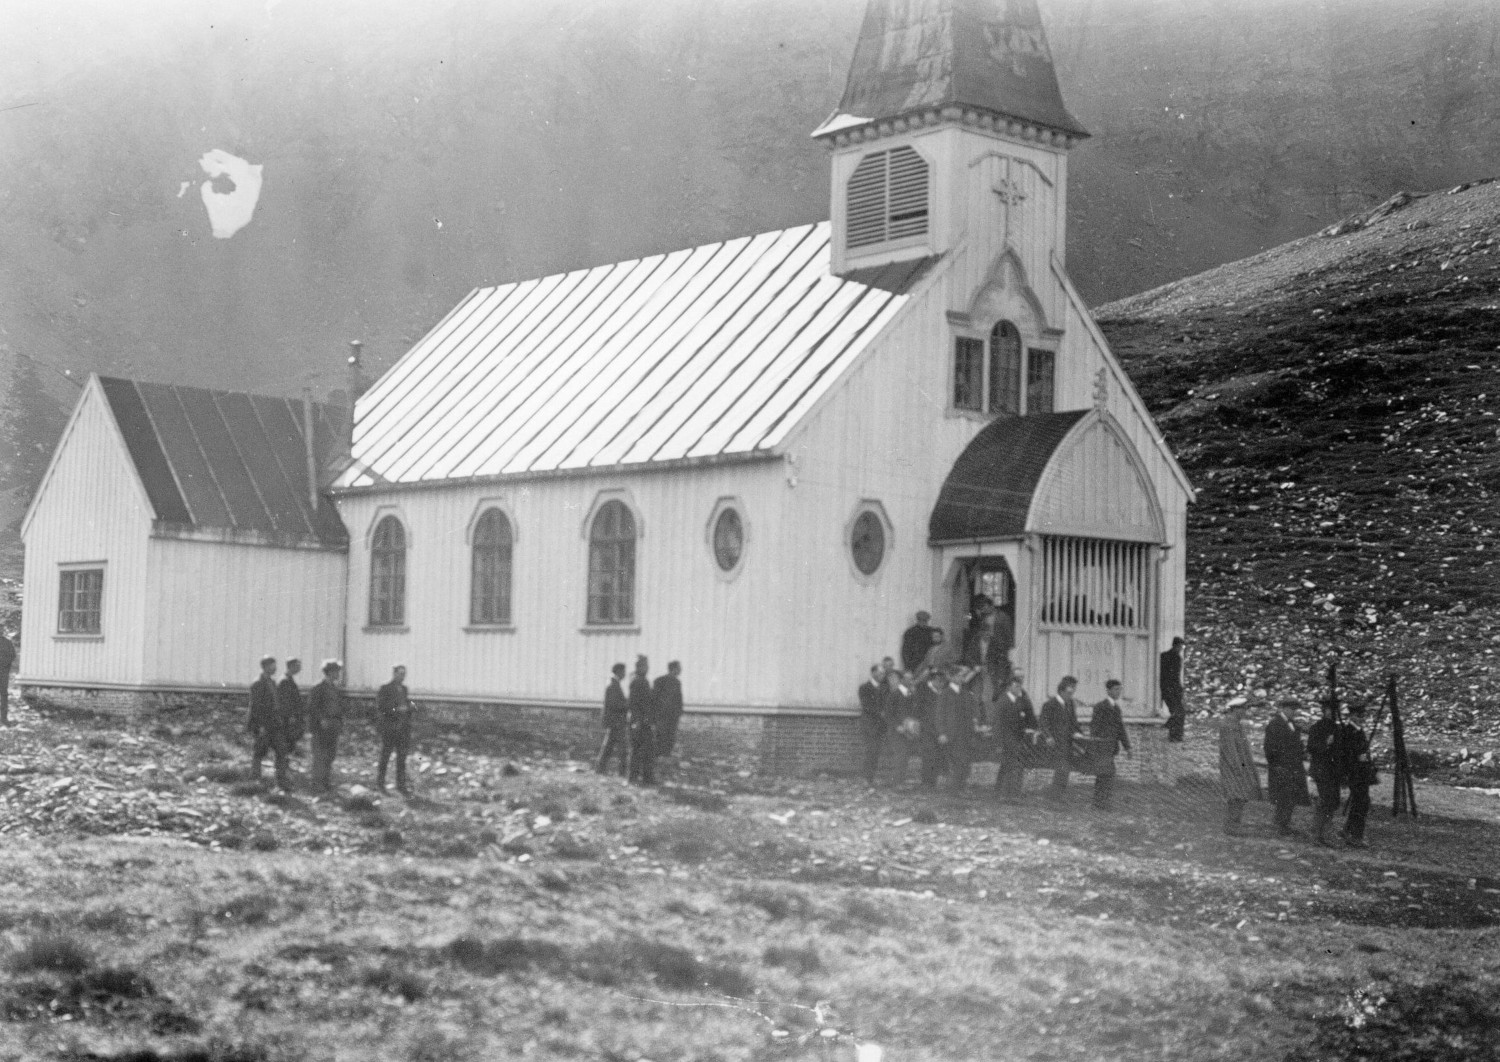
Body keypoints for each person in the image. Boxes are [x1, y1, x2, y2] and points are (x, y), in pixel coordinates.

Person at [1264, 698, 1311, 836]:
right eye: (1290, 709)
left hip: (1293, 766)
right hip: (1282, 766)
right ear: (1283, 708)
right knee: (1284, 796)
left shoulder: (1291, 724)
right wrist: (1276, 765)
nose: (1293, 712)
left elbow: (1296, 743)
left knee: (1290, 796)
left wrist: (1302, 752)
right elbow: (1270, 747)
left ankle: (1284, 823)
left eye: (1294, 709)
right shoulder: (1275, 724)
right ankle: (1280, 824)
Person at [1218, 697, 1261, 836]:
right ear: (1235, 709)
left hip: (1239, 766)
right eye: (1242, 709)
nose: (1244, 711)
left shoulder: (1236, 724)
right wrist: (1239, 768)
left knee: (1240, 795)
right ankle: (1231, 826)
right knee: (1236, 795)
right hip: (1234, 768)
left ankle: (1234, 824)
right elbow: (1231, 751)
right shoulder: (1228, 725)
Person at [1339, 700, 1378, 848]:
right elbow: (1346, 754)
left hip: (1361, 773)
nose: (1363, 718)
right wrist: (1359, 757)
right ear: (1353, 715)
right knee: (1361, 803)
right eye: (1361, 715)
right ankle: (1356, 836)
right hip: (1355, 773)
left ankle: (1348, 830)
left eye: (1364, 715)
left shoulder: (1358, 730)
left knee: (1359, 802)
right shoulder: (1348, 731)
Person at [248, 655, 290, 789]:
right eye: (272, 665)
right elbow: (256, 707)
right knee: (259, 752)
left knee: (281, 751)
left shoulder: (272, 682)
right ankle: (255, 781)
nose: (275, 668)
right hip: (263, 725)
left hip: (274, 724)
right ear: (265, 667)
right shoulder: (258, 683)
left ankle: (281, 781)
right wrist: (260, 725)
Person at [994, 672, 1037, 801]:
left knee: (1013, 766)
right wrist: (998, 744)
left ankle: (1009, 793)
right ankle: (1008, 794)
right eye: (1016, 686)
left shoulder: (1020, 701)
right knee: (1012, 766)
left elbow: (1029, 718)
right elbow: (997, 725)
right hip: (1007, 740)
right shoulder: (1003, 702)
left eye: (1020, 686)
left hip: (1018, 739)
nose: (1019, 689)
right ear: (1009, 687)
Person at [1089, 680, 1132, 811]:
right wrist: (1098, 745)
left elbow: (1120, 730)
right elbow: (1094, 728)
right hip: (1102, 748)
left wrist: (1127, 747)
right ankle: (1100, 804)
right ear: (1108, 691)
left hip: (1111, 749)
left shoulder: (1117, 708)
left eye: (1120, 689)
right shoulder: (1100, 707)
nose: (1118, 692)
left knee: (1107, 775)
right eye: (1115, 689)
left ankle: (1101, 803)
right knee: (1104, 775)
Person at [1306, 699, 1343, 847]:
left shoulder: (1338, 728)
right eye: (1329, 709)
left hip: (1333, 772)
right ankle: (1316, 834)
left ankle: (1325, 834)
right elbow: (1311, 748)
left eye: (1334, 710)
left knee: (1332, 803)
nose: (1332, 712)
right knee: (1322, 803)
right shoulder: (1317, 727)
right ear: (1323, 710)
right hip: (1321, 771)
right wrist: (1326, 744)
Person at [1039, 676, 1082, 798]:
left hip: (1067, 743)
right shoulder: (1049, 704)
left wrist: (1079, 733)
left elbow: (1074, 722)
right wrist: (1048, 737)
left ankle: (1058, 795)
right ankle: (1055, 796)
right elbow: (1043, 723)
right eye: (1069, 693)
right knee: (1062, 767)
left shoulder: (1070, 704)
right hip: (1054, 744)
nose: (1071, 695)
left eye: (1073, 692)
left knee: (1065, 769)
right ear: (1061, 691)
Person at [307, 659, 346, 793]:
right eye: (336, 671)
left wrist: (340, 723)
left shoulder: (335, 688)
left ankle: (325, 782)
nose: (338, 674)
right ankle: (317, 784)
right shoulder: (318, 687)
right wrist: (321, 720)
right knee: (320, 755)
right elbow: (312, 707)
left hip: (333, 725)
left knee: (330, 755)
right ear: (329, 672)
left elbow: (338, 707)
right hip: (321, 727)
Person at [376, 665, 415, 793]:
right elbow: (382, 707)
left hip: (402, 729)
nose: (402, 676)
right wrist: (396, 710)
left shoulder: (404, 689)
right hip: (389, 728)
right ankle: (380, 783)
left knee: (401, 758)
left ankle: (401, 784)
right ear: (394, 674)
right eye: (400, 673)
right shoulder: (385, 688)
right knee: (385, 756)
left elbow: (407, 705)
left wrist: (410, 708)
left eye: (404, 674)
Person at [627, 655, 657, 786]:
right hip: (640, 722)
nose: (647, 668)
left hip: (641, 721)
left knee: (643, 750)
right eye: (645, 665)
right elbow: (635, 704)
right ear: (639, 667)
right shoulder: (639, 681)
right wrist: (638, 721)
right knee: (641, 750)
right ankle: (640, 778)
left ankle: (641, 777)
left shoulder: (639, 680)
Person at [596, 663, 630, 776]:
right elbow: (615, 705)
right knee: (622, 749)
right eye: (623, 671)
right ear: (619, 672)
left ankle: (599, 769)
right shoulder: (613, 686)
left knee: (608, 747)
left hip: (613, 722)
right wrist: (628, 704)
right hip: (616, 722)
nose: (625, 674)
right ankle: (622, 772)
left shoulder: (613, 684)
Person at [858, 663, 888, 785]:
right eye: (880, 673)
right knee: (870, 751)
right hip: (869, 724)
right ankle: (867, 778)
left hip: (880, 725)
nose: (882, 675)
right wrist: (880, 713)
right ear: (873, 673)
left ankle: (872, 777)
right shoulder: (864, 688)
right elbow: (866, 705)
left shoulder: (884, 688)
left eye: (883, 673)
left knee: (876, 752)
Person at [654, 661, 685, 759]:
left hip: (668, 716)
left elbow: (678, 699)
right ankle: (662, 756)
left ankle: (663, 756)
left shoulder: (674, 682)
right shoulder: (663, 681)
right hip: (665, 716)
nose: (681, 670)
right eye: (679, 668)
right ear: (674, 669)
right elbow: (655, 698)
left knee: (667, 737)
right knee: (664, 737)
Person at [278, 658, 306, 759]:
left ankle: (285, 767)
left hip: (291, 718)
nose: (299, 669)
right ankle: (283, 769)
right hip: (288, 720)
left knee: (290, 744)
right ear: (291, 666)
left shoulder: (289, 680)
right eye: (297, 666)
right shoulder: (284, 681)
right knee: (286, 743)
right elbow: (284, 702)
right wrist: (290, 716)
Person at [1160, 637, 1186, 742]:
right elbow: (1174, 676)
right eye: (1180, 646)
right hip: (1172, 690)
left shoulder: (1164, 656)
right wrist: (1179, 690)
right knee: (1179, 713)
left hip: (1168, 689)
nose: (1181, 649)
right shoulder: (1176, 658)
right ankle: (1175, 736)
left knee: (1177, 713)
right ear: (1176, 646)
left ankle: (1174, 734)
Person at [900, 611, 941, 675]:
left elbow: (937, 646)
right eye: (921, 620)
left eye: (925, 621)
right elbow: (905, 651)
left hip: (929, 664)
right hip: (915, 665)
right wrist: (908, 667)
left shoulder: (931, 631)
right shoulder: (910, 632)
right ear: (917, 620)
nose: (923, 622)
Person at [0, 630, 15, 726]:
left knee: (4, 695)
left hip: (3, 673)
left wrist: (4, 665)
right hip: (4, 671)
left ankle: (4, 719)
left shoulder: (7, 642)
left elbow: (12, 655)